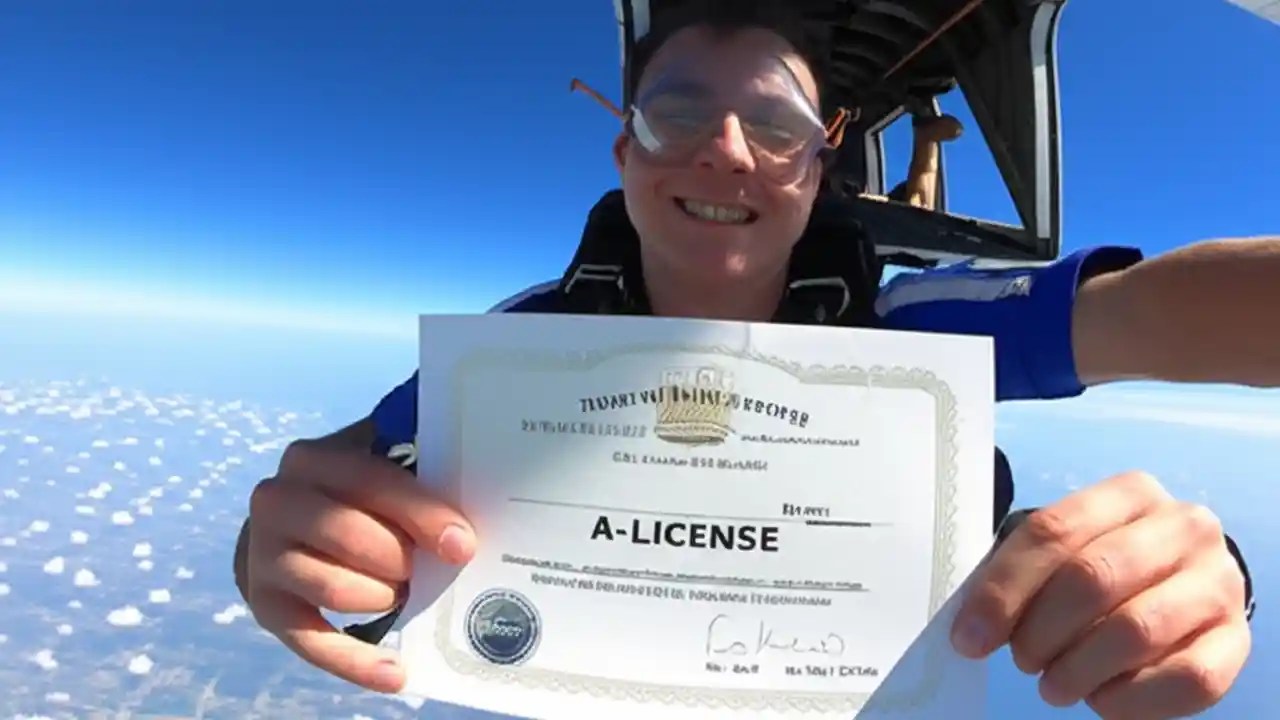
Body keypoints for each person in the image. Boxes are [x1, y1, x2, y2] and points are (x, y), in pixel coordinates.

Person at [235, 2, 1274, 717]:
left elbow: (1157, 312)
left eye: (773, 126)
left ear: (817, 168)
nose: (724, 150)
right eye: (676, 114)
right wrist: (280, 548)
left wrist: (1191, 576)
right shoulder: (523, 351)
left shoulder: (907, 333)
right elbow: (355, 467)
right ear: (624, 151)